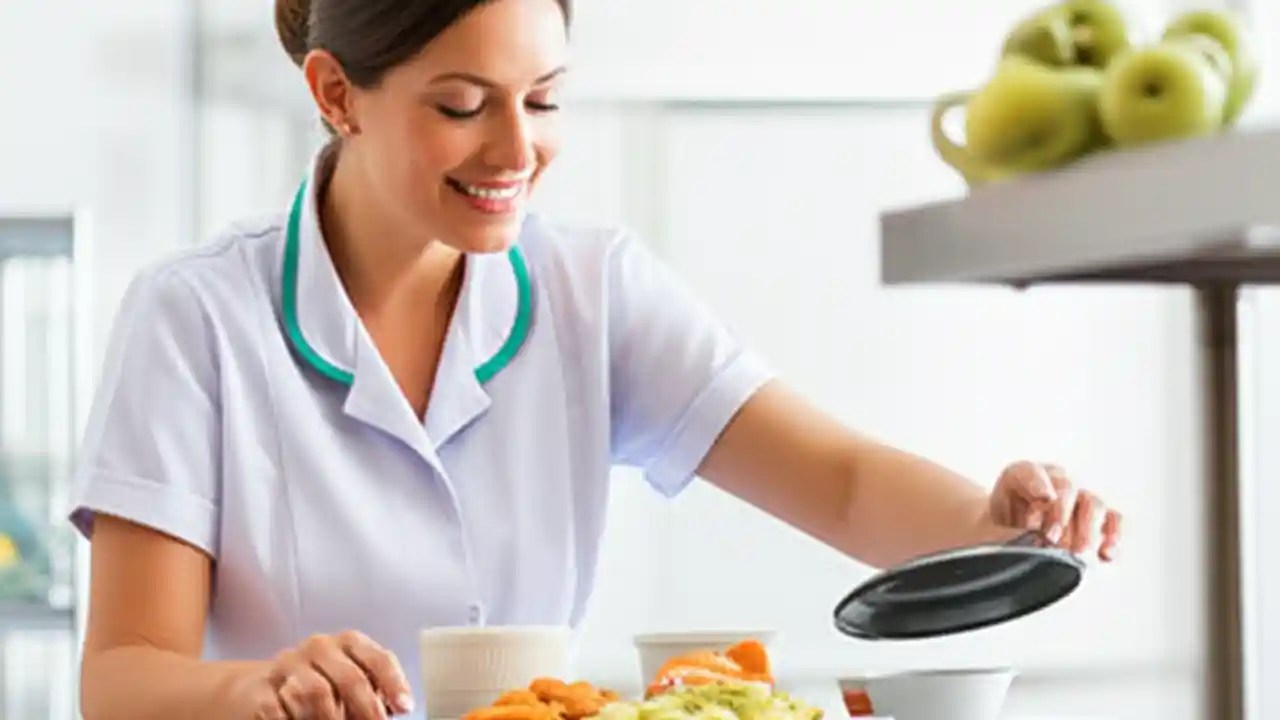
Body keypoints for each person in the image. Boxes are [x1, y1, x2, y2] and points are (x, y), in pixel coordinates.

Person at [67, 0, 1123, 718]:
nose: (516, 151)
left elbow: (840, 484)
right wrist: (254, 688)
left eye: (543, 98)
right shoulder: (197, 317)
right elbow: (120, 677)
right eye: (461, 105)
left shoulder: (592, 290)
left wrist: (1001, 523)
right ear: (336, 93)